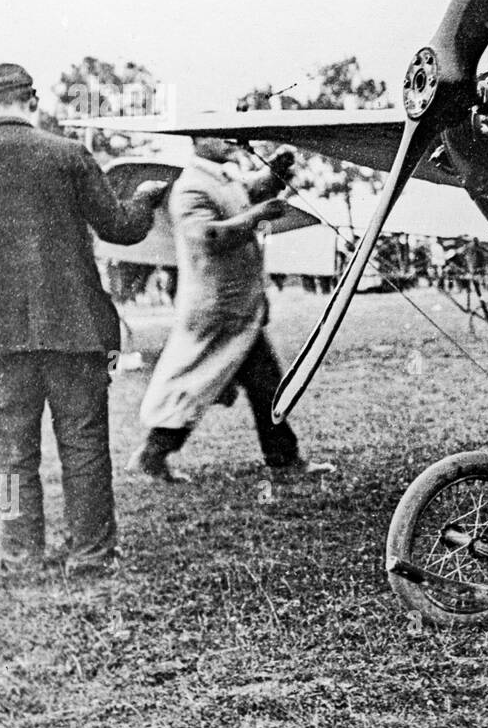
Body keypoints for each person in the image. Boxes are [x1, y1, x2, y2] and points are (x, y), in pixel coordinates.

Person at [0, 63, 168, 575]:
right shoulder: (68, 154)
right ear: (31, 101)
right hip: (75, 326)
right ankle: (93, 556)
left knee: (12, 450)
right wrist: (143, 198)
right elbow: (120, 229)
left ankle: (20, 554)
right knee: (84, 444)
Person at [129, 137, 334, 484]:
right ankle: (153, 454)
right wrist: (256, 216)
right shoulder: (190, 187)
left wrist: (276, 170)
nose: (227, 139)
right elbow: (208, 237)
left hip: (235, 307)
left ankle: (282, 458)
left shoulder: (222, 178)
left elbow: (249, 192)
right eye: (215, 133)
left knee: (261, 383)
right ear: (197, 140)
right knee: (197, 384)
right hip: (216, 309)